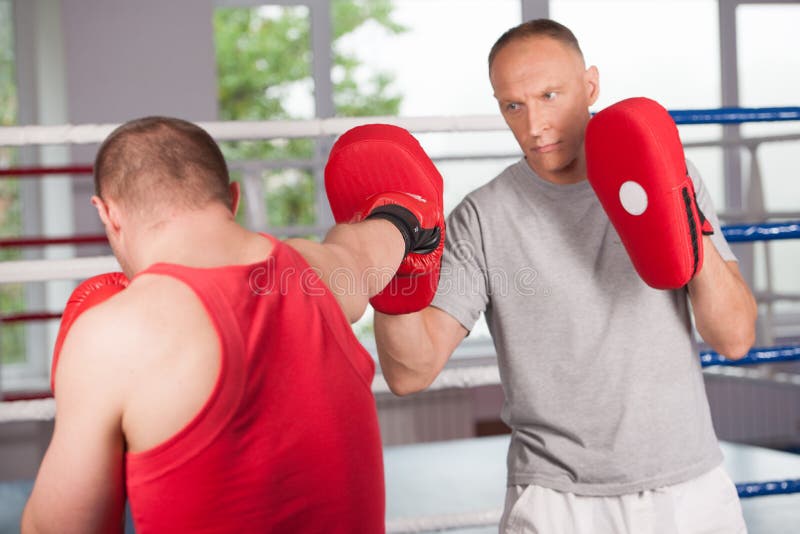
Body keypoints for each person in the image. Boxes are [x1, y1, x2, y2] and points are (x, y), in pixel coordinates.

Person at [374, 19, 758, 533]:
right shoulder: (484, 216)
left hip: (686, 488)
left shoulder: (669, 174)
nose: (534, 125)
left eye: (549, 95)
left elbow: (734, 338)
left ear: (591, 86)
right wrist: (392, 267)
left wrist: (678, 204)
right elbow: (409, 373)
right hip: (556, 500)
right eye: (513, 105)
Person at [21, 117, 444, 533]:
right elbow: (361, 256)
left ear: (108, 214)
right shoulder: (318, 274)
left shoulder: (113, 336)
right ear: (233, 198)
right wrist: (402, 221)